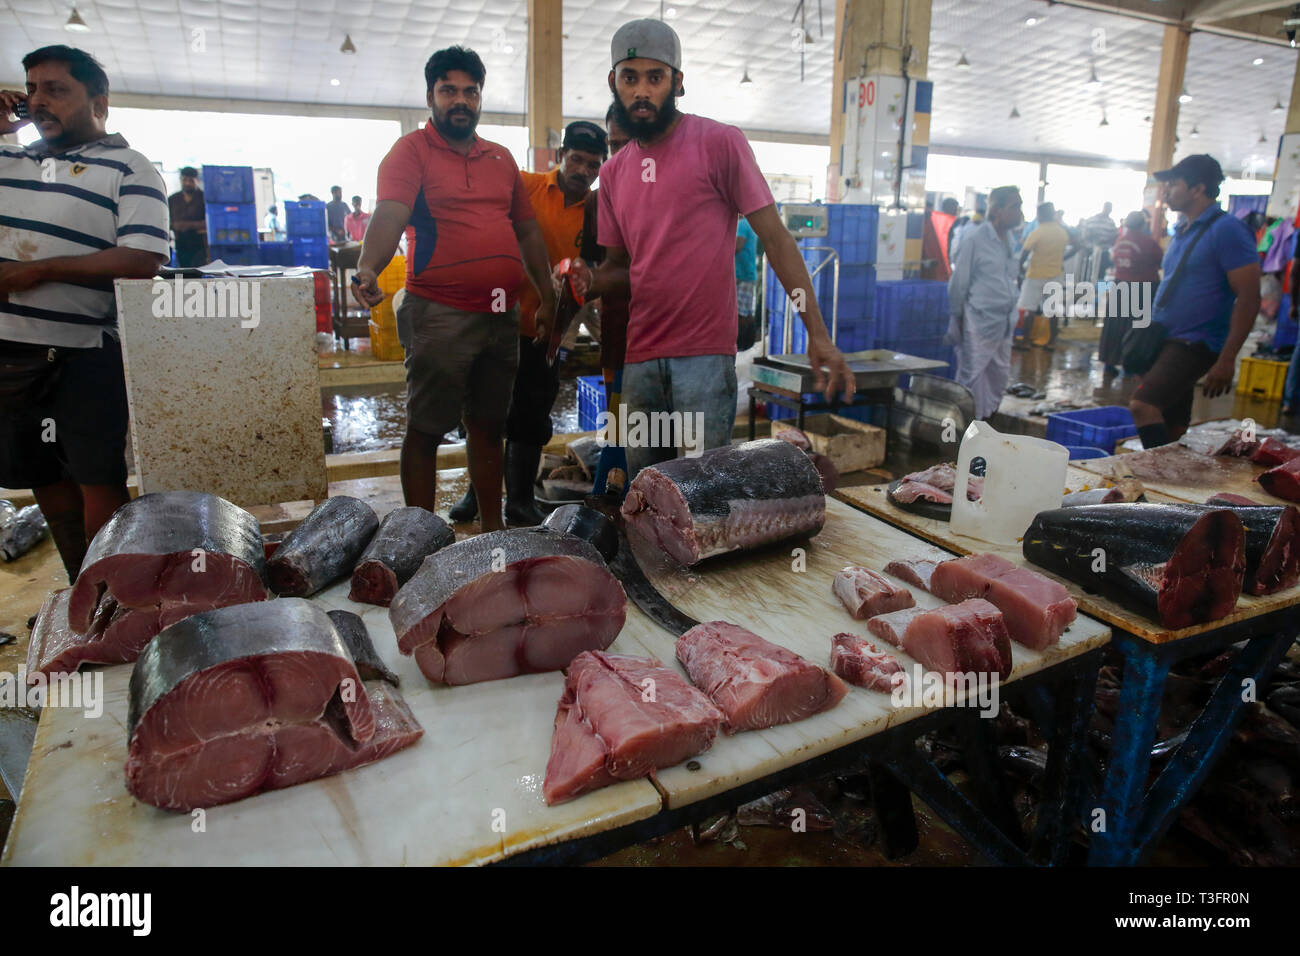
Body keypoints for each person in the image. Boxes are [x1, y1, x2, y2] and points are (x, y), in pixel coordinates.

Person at [570, 19, 853, 477]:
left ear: (677, 83)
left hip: (703, 355)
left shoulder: (719, 144)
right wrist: (588, 278)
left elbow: (776, 240)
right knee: (646, 488)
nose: (642, 91)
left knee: (701, 488)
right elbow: (620, 269)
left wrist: (817, 334)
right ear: (614, 83)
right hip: (641, 357)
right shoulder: (616, 173)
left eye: (655, 78)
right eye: (630, 78)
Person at [351, 46, 555, 531]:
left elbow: (526, 232)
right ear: (430, 96)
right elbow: (390, 214)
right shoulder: (411, 152)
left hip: (501, 316)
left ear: (480, 97)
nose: (460, 100)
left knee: (489, 427)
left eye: (469, 91)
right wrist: (367, 268)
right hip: (438, 313)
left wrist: (548, 296)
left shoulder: (501, 158)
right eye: (449, 91)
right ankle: (417, 537)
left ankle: (492, 529)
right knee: (426, 428)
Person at [0, 46, 169, 582]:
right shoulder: (10, 158)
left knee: (97, 476)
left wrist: (37, 271)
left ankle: (111, 598)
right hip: (8, 351)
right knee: (42, 472)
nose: (39, 100)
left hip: (84, 353)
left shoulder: (129, 168)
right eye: (32, 88)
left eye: (56, 89)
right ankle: (81, 587)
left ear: (99, 101)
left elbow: (142, 258)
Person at [448, 120, 607, 526]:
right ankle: (478, 494)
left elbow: (594, 274)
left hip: (548, 333)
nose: (584, 171)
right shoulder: (524, 185)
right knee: (485, 414)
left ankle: (518, 500)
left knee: (532, 415)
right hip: (497, 322)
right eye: (577, 160)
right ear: (560, 157)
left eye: (593, 165)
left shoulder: (598, 211)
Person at [1130, 155, 1259, 447]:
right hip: (1168, 337)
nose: (1166, 192)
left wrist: (1227, 359)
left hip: (1196, 341)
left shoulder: (1227, 230)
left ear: (1197, 189)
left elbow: (1250, 297)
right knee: (1171, 424)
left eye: (1174, 184)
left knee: (1143, 406)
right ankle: (1170, 482)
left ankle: (1154, 484)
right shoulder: (1184, 230)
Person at [946, 185, 1024, 420]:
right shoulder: (975, 239)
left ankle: (986, 419)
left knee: (998, 373)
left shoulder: (1010, 239)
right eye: (1015, 206)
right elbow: (959, 283)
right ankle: (964, 425)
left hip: (1004, 320)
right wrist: (956, 317)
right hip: (979, 320)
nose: (1020, 212)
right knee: (972, 374)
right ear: (997, 210)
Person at [1102, 210, 1162, 376]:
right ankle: (1131, 366)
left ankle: (1109, 363)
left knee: (1114, 325)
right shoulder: (1148, 243)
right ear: (1143, 224)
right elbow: (1161, 261)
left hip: (1120, 284)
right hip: (1142, 287)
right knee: (1137, 327)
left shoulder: (1120, 241)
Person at [1017, 202, 1073, 349]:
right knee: (1052, 310)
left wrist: (1020, 270)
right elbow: (1079, 244)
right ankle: (1052, 342)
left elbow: (1024, 253)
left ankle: (1026, 341)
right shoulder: (1061, 232)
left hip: (1035, 274)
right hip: (1055, 275)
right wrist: (1064, 258)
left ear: (1040, 215)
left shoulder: (1037, 232)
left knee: (1030, 310)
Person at [168, 165, 207, 267]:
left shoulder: (204, 198)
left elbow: (209, 222)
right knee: (181, 276)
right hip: (180, 244)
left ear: (197, 180)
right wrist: (173, 226)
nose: (187, 183)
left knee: (198, 276)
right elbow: (166, 221)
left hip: (200, 245)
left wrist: (185, 225)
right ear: (181, 180)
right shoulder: (173, 199)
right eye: (185, 180)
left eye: (191, 180)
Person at [735, 215, 759, 350]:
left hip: (742, 275)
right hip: (745, 274)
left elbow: (737, 246)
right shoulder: (749, 223)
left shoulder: (743, 224)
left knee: (741, 313)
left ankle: (742, 343)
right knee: (745, 311)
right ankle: (746, 342)